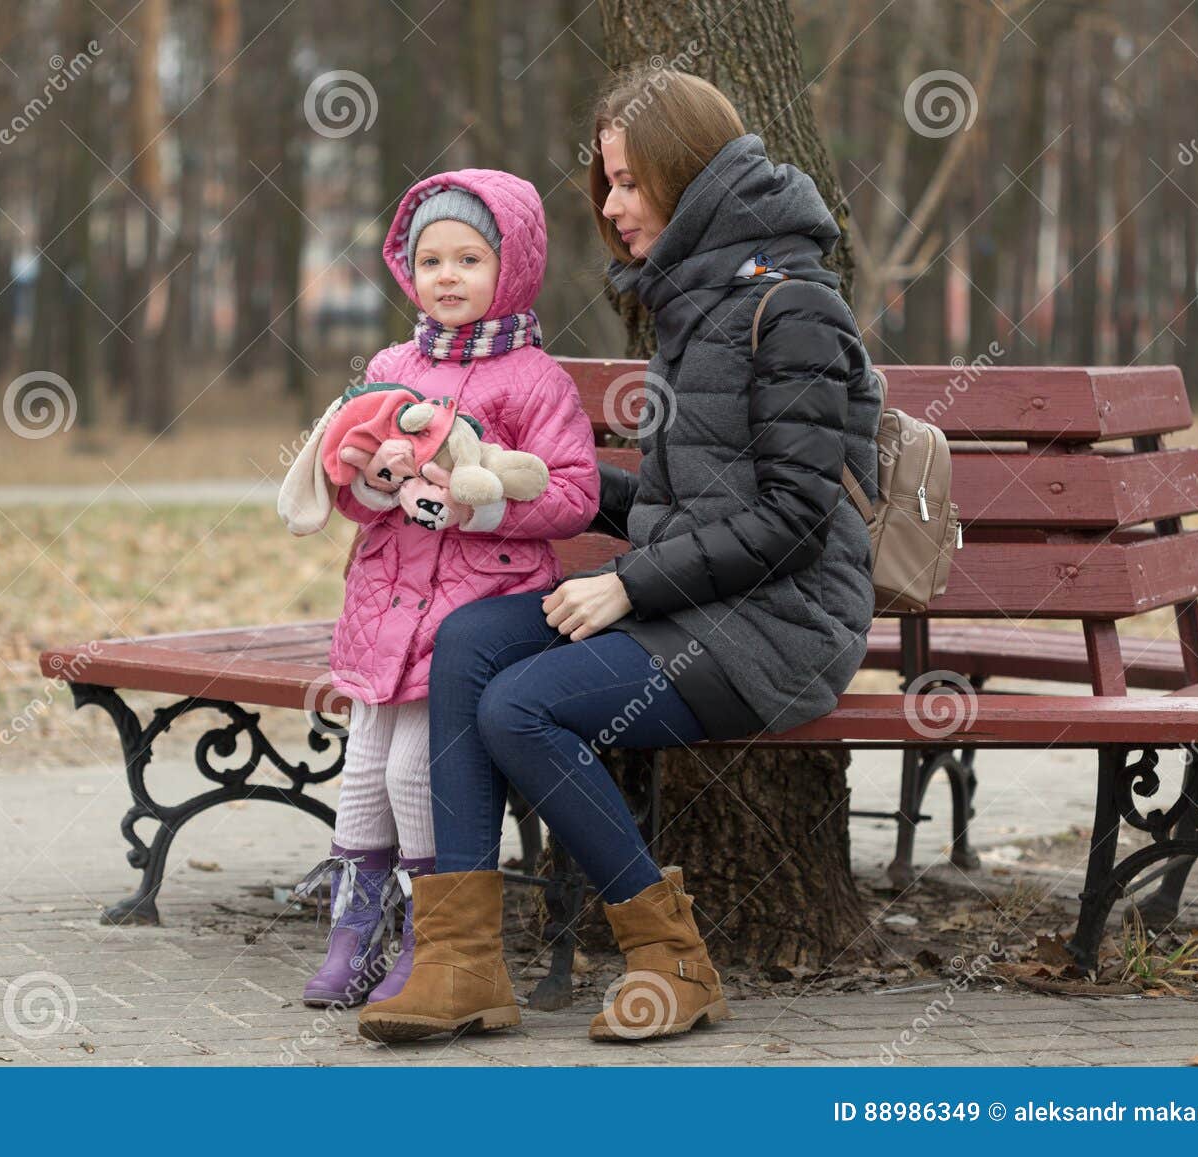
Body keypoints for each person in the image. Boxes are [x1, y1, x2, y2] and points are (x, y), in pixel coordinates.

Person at [358, 69, 882, 1044]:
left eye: (632, 182)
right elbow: (690, 500)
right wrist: (532, 474)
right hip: (696, 598)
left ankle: (671, 959)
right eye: (606, 182)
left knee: (524, 705)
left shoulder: (792, 309)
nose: (613, 206)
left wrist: (627, 580)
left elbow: (795, 519)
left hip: (778, 625)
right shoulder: (699, 297)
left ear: (688, 175)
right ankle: (463, 963)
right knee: (466, 640)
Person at [283, 169, 599, 1008]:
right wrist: (368, 481)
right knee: (363, 765)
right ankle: (355, 924)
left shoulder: (535, 381)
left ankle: (438, 935)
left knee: (413, 774)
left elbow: (574, 493)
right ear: (406, 268)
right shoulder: (392, 364)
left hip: (470, 614)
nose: (448, 276)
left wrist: (486, 502)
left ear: (515, 267)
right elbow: (352, 480)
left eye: (469, 258)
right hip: (385, 604)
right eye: (431, 260)